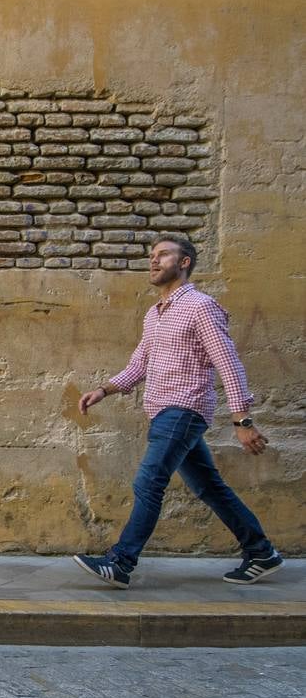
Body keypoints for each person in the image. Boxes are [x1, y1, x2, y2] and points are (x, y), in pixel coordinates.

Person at [73, 236, 284, 588]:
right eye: (151, 256)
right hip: (162, 412)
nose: (153, 261)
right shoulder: (154, 314)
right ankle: (261, 552)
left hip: (184, 409)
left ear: (184, 262)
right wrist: (104, 389)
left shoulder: (200, 306)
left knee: (149, 481)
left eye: (163, 255)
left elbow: (228, 363)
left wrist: (242, 419)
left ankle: (121, 561)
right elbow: (139, 363)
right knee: (209, 487)